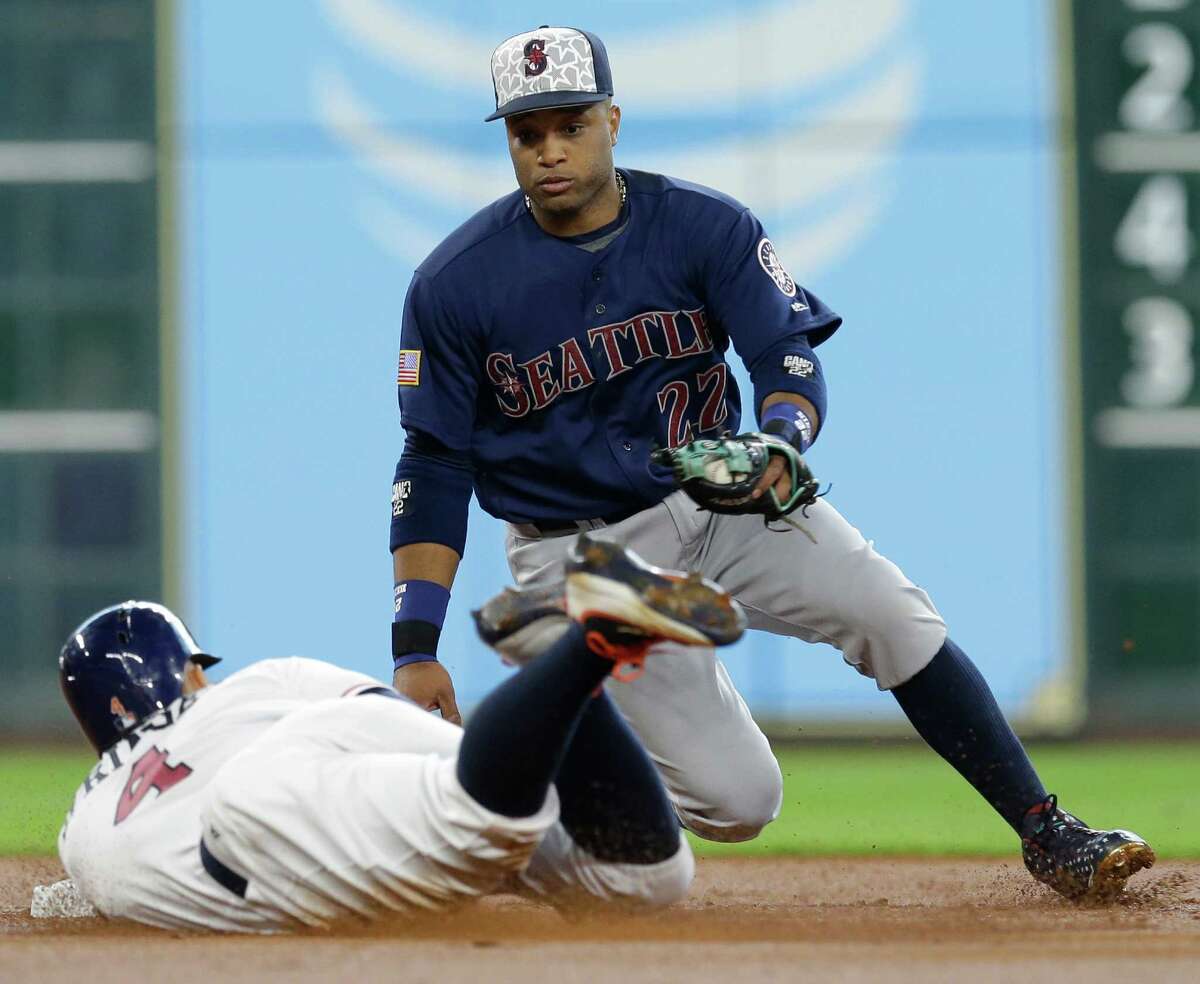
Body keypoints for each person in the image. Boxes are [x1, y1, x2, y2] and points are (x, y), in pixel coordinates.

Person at [386, 26, 1154, 903]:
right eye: (529, 133)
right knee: (740, 802)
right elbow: (433, 462)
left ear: (614, 119)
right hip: (581, 555)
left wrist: (783, 440)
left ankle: (1047, 831)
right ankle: (513, 802)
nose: (551, 150)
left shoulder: (701, 225)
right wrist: (415, 645)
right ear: (510, 141)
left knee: (889, 613)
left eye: (572, 124)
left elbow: (784, 354)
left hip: (720, 501)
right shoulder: (455, 283)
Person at [54, 536, 740, 931]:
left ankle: (588, 642)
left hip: (256, 825)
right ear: (182, 674)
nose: (200, 684)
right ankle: (559, 657)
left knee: (476, 821)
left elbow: (104, 899)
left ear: (110, 715)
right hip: (342, 735)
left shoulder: (90, 809)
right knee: (641, 877)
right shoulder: (257, 682)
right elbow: (380, 715)